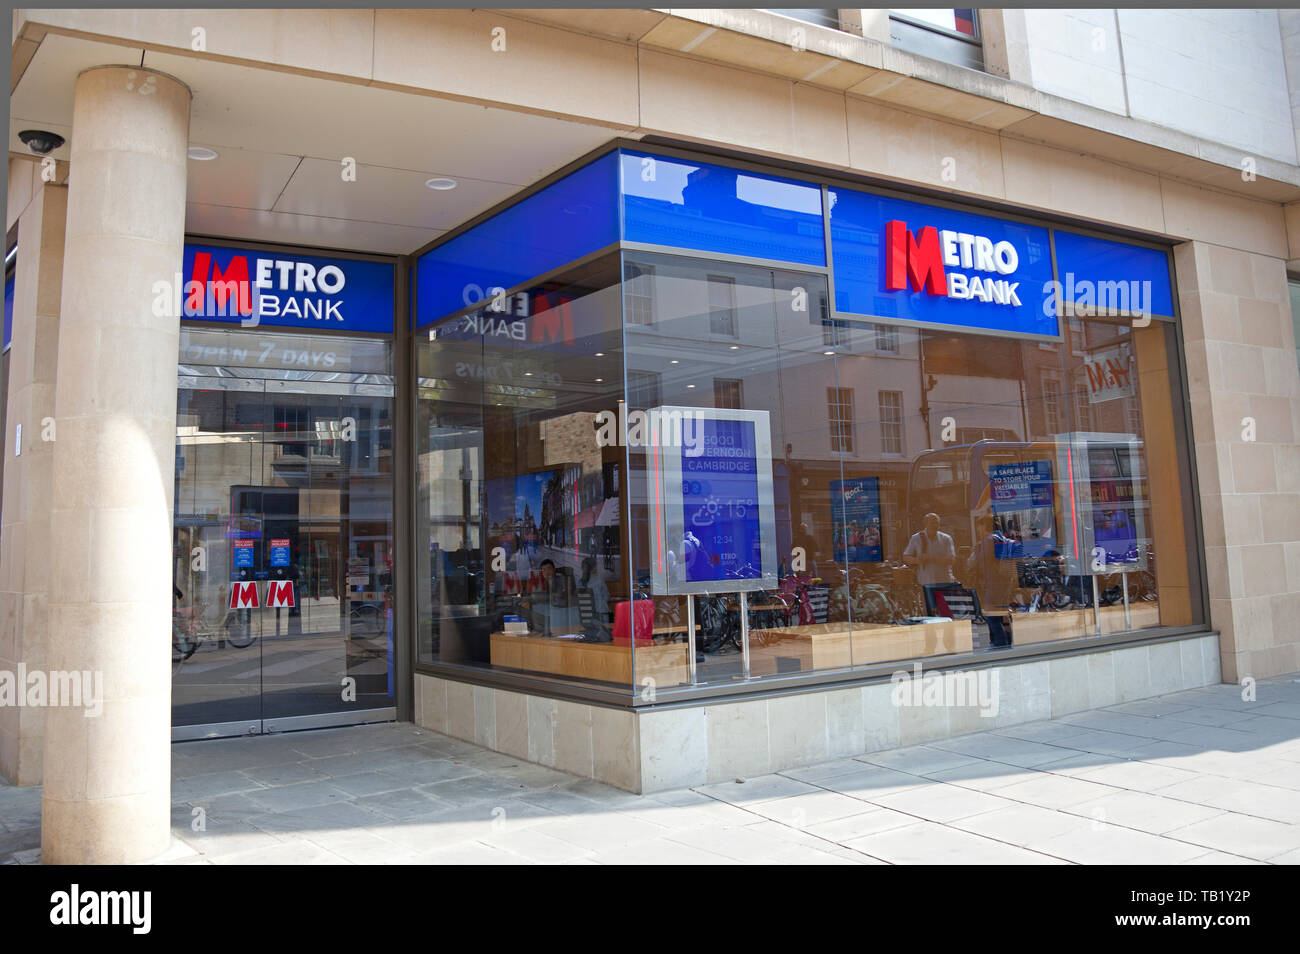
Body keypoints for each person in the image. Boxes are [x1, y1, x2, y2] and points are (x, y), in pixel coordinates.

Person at [903, 512, 956, 586]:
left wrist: (930, 559)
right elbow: (906, 557)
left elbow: (951, 560)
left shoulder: (946, 539)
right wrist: (917, 560)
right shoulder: (916, 538)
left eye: (937, 523)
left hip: (944, 581)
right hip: (925, 582)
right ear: (925, 524)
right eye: (932, 523)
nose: (935, 525)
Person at [580, 556, 610, 622]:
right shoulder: (599, 580)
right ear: (594, 568)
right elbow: (607, 597)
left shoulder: (580, 582)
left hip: (585, 615)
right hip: (601, 613)